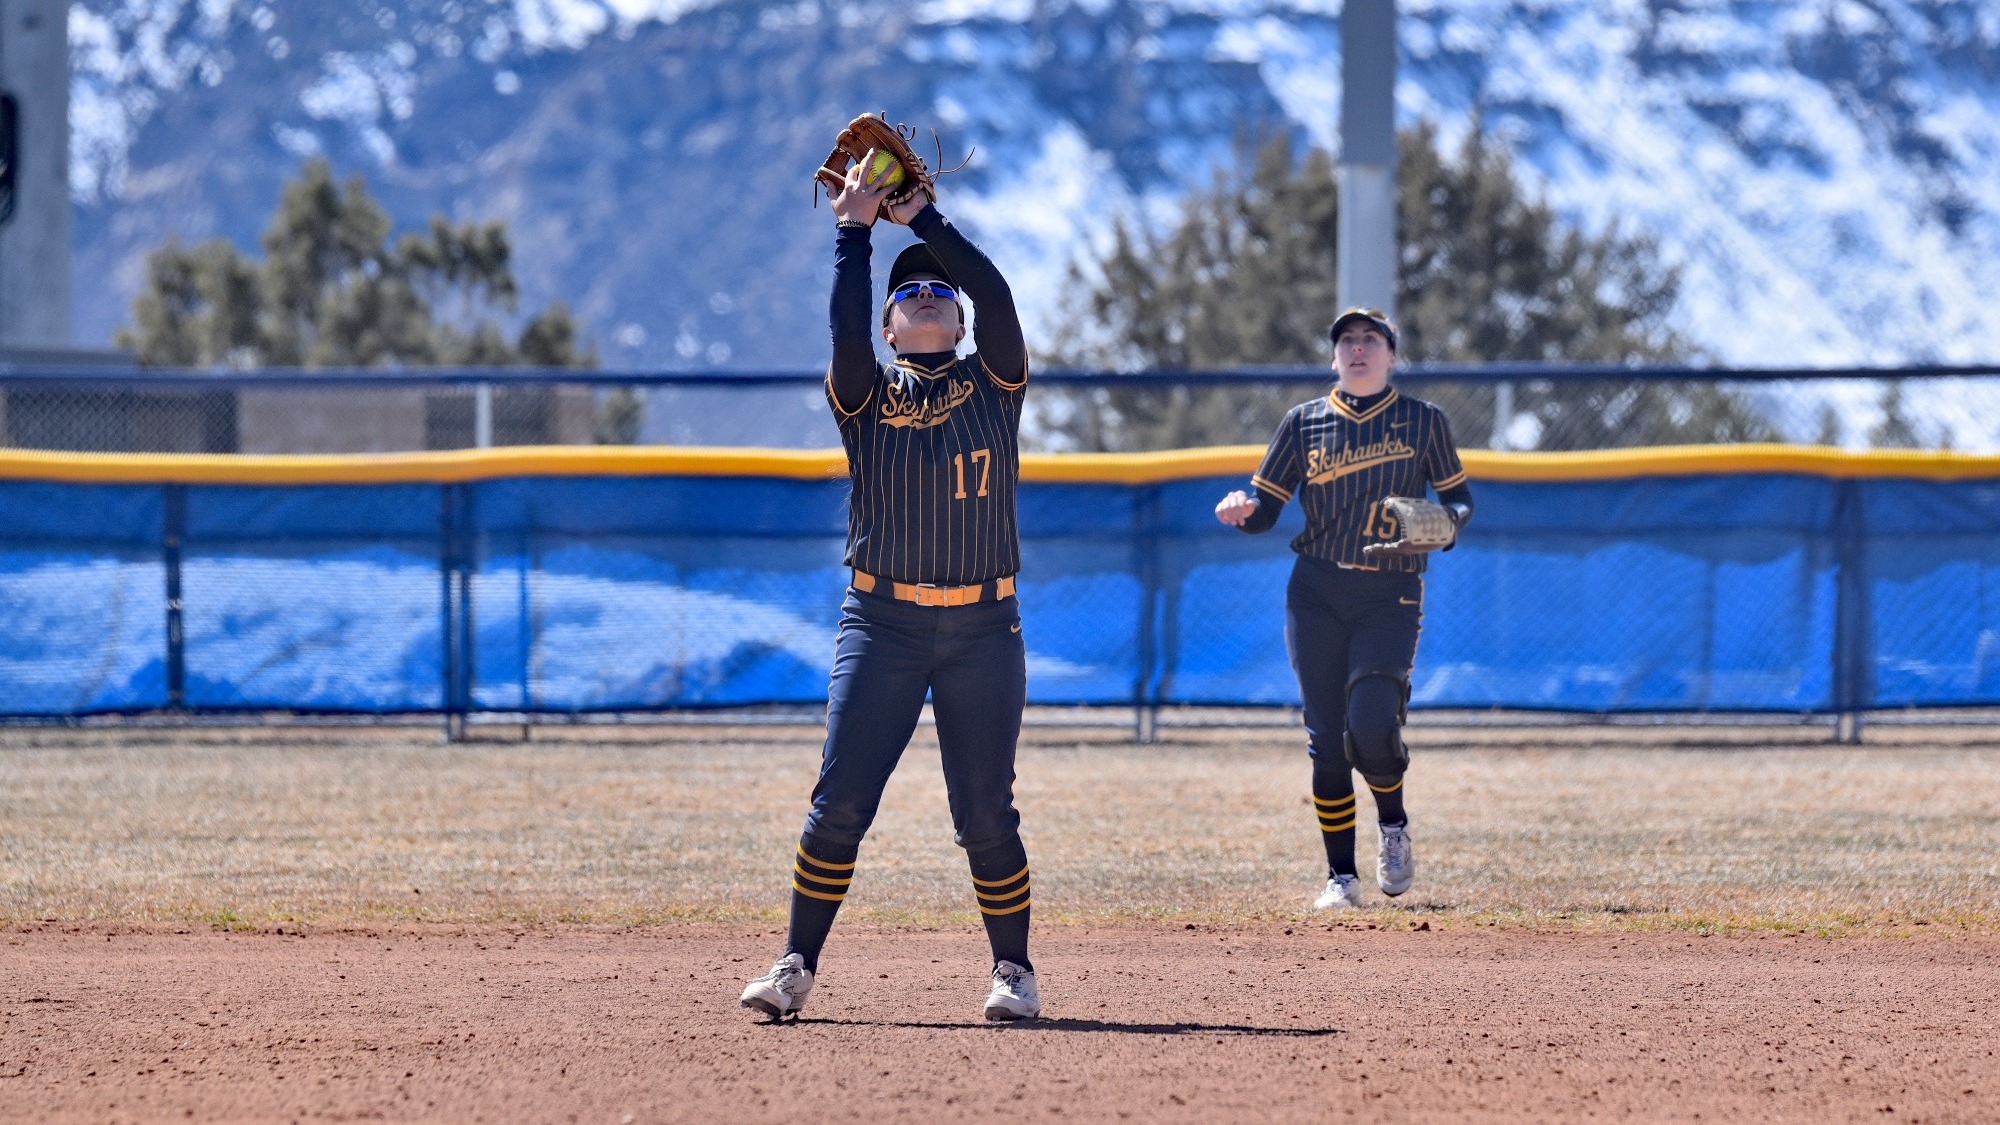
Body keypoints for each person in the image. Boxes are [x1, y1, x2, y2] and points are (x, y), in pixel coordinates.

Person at [739, 152, 1039, 1021]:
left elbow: (1002, 298)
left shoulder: (996, 384)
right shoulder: (865, 396)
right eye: (910, 297)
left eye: (939, 293)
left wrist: (924, 225)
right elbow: (840, 334)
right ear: (889, 327)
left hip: (985, 629)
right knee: (838, 806)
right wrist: (854, 235)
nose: (928, 299)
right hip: (883, 624)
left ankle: (1013, 972)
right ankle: (795, 964)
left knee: (985, 814)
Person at [1214, 308, 1473, 910]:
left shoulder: (1422, 421)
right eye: (1347, 341)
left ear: (1390, 355)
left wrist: (1447, 523)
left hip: (1391, 591)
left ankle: (1393, 826)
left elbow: (1459, 500)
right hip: (1317, 591)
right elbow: (1268, 509)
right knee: (1327, 738)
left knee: (1374, 725)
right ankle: (1341, 877)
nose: (1358, 348)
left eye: (1371, 339)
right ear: (1334, 358)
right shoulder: (1303, 424)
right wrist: (1242, 510)